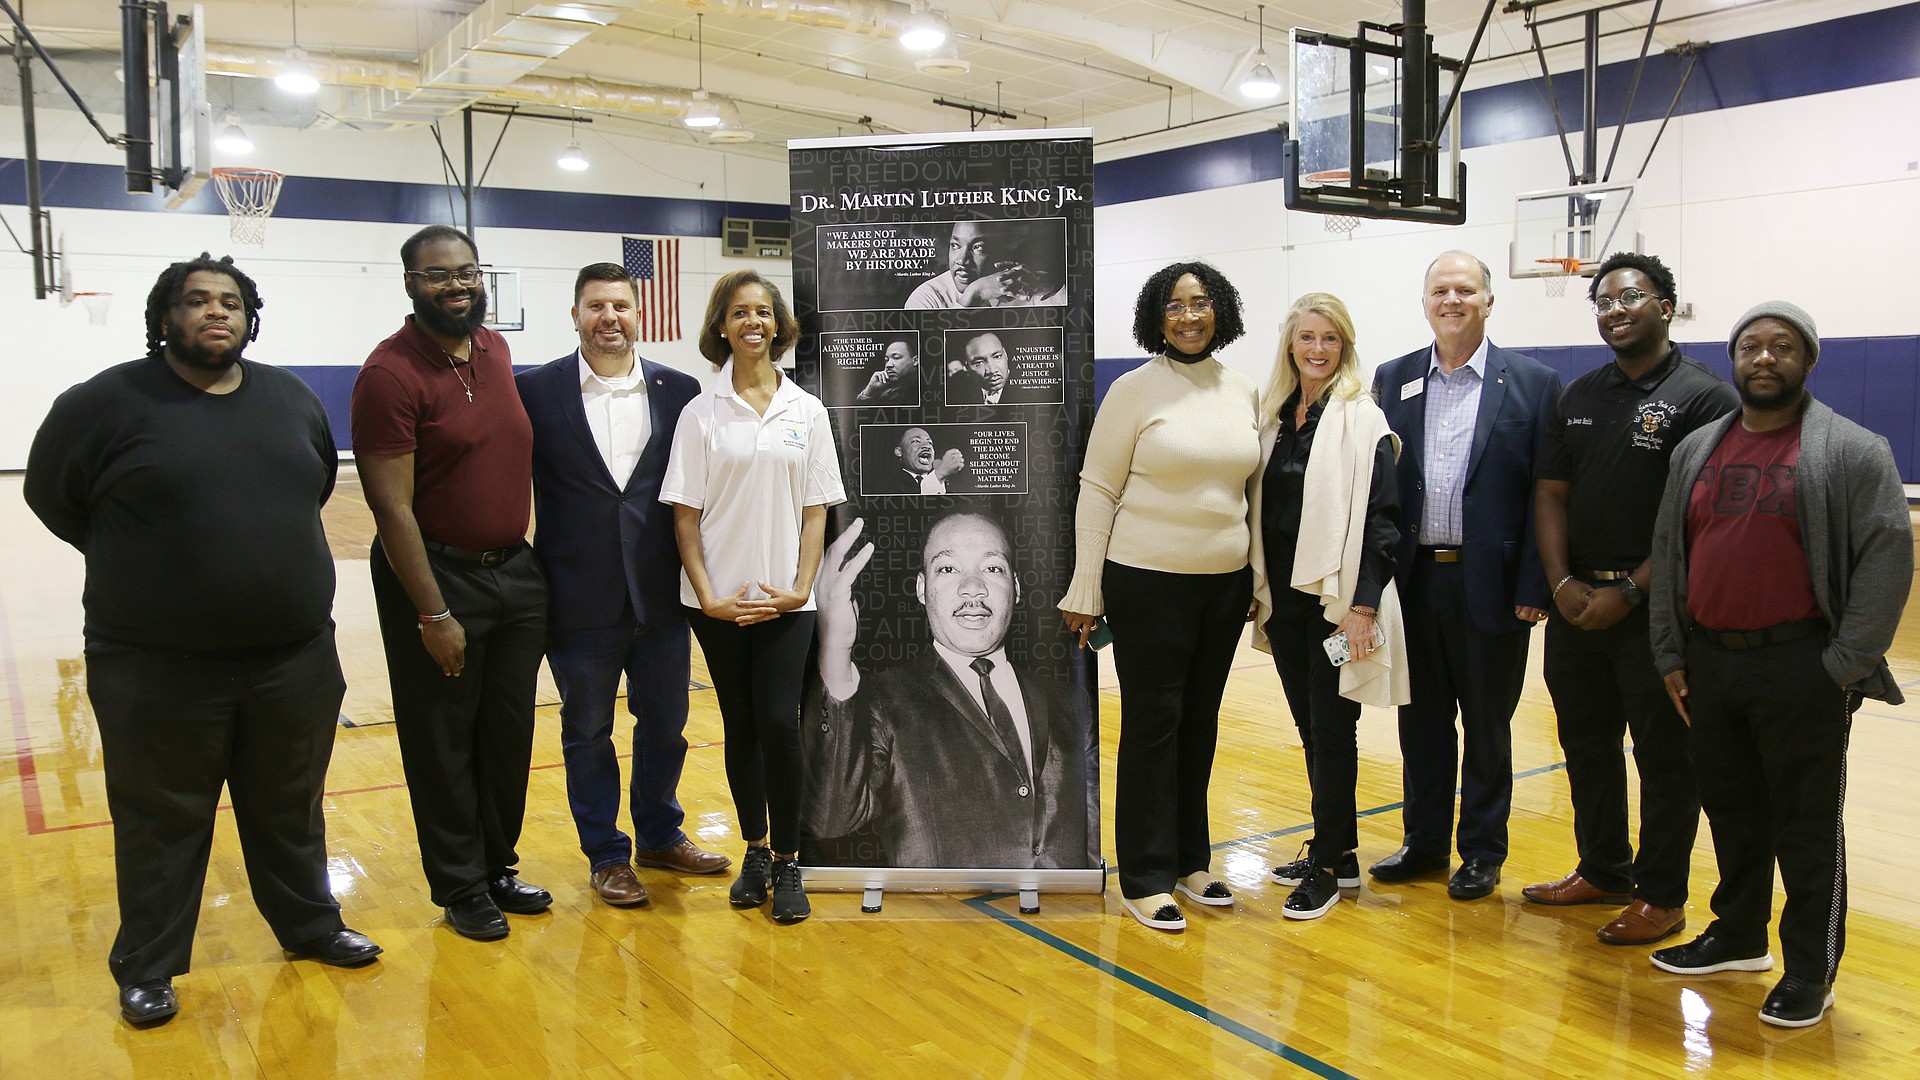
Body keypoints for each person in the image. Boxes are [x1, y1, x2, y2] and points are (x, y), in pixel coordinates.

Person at [25, 254, 380, 1027]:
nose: (216, 312)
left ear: (250, 319)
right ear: (164, 319)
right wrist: (144, 561)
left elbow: (313, 485)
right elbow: (52, 497)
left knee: (290, 808)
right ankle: (148, 967)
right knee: (160, 820)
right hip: (155, 666)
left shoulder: (290, 398)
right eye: (196, 301)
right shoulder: (103, 403)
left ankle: (310, 927)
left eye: (231, 302)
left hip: (292, 659)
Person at [1648, 302, 1911, 1028]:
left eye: (1783, 346)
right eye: (1751, 347)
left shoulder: (1854, 450)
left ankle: (1810, 969)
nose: (1765, 358)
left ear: (1809, 359)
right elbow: (1672, 553)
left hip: (1801, 663)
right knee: (1731, 810)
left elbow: (1887, 561)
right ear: (1733, 360)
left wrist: (1842, 665)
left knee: (1805, 824)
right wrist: (1672, 652)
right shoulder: (1697, 448)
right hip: (1710, 661)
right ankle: (1737, 934)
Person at [1525, 253, 1738, 945]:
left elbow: (1699, 520)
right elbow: (1551, 491)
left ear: (1666, 306)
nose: (1615, 309)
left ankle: (1663, 894)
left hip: (1659, 608)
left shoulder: (1707, 398)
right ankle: (1603, 869)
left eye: (1631, 296)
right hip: (1577, 601)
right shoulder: (1580, 394)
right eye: (1604, 301)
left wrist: (1627, 589)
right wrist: (1562, 585)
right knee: (1585, 743)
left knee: (1663, 754)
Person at [350, 225, 551, 942]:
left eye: (466, 272)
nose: (456, 285)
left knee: (507, 734)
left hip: (514, 574)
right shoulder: (389, 374)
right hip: (437, 579)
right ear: (411, 283)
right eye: (439, 275)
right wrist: (431, 611)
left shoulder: (494, 349)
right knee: (443, 739)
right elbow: (389, 505)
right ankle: (460, 886)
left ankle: (497, 866)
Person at [516, 262, 727, 909]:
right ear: (575, 315)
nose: (610, 316)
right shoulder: (535, 391)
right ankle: (606, 854)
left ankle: (660, 835)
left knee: (666, 725)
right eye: (596, 306)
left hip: (662, 598)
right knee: (587, 731)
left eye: (620, 306)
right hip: (577, 599)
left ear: (639, 314)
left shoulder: (680, 390)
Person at [1059, 262, 1261, 931]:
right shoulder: (1134, 391)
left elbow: (1251, 497)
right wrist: (1087, 582)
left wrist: (1256, 580)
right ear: (1157, 316)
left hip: (1223, 588)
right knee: (1154, 726)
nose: (1189, 315)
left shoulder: (1243, 390)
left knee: (1200, 724)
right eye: (1174, 305)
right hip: (1146, 583)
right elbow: (1098, 488)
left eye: (1201, 302)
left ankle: (1188, 860)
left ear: (1220, 310)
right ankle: (1144, 875)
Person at [1368, 251, 1562, 901]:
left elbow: (1547, 492)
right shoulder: (1393, 379)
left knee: (1487, 728)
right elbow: (1377, 491)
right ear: (1425, 302)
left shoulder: (1534, 383)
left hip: (1494, 588)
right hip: (1414, 583)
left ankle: (1481, 851)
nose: (1452, 299)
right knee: (1419, 724)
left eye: (1465, 290)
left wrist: (1536, 588)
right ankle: (1423, 843)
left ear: (1488, 300)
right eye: (1440, 290)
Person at [662, 270, 845, 924]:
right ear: (721, 326)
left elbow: (817, 510)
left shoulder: (807, 411)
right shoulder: (700, 413)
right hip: (718, 605)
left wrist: (800, 587)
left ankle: (792, 860)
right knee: (741, 727)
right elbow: (685, 516)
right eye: (740, 313)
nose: (754, 323)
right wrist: (708, 597)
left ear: (778, 325)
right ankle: (756, 849)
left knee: (778, 722)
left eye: (764, 313)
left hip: (787, 602)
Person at [805, 512, 1096, 867]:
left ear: (1017, 588)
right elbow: (831, 819)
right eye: (948, 569)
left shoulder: (1069, 701)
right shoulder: (879, 699)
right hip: (944, 918)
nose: (972, 588)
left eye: (992, 568)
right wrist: (835, 648)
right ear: (921, 589)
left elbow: (1091, 845)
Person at [1251, 293, 1408, 920]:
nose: (1317, 349)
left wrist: (1362, 608)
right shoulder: (1274, 417)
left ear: (1345, 346)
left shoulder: (1362, 419)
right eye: (1307, 337)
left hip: (1337, 604)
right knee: (1310, 728)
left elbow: (1384, 522)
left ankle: (1331, 862)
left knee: (1333, 730)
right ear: (1290, 344)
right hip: (1285, 603)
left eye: (1330, 339)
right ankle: (1336, 850)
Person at [904, 220, 1067, 309]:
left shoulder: (1022, 286)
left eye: (978, 247)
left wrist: (1053, 287)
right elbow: (933, 358)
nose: (961, 260)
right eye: (955, 245)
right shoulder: (925, 299)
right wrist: (974, 295)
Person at [870, 426, 966, 495]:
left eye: (929, 443)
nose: (926, 446)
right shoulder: (886, 484)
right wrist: (939, 474)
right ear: (899, 451)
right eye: (916, 441)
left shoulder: (945, 487)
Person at [855, 338, 919, 405]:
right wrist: (870, 388)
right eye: (887, 360)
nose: (888, 365)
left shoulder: (918, 391)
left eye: (896, 358)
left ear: (915, 361)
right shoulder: (888, 390)